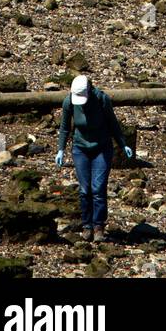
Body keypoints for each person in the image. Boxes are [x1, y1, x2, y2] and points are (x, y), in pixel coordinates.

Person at [55, 75, 133, 243]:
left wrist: (123, 143)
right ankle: (86, 226)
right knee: (85, 189)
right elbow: (64, 128)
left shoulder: (101, 99)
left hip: (102, 148)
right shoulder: (69, 102)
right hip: (80, 148)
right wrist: (60, 149)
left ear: (89, 91)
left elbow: (113, 123)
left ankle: (98, 226)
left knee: (98, 188)